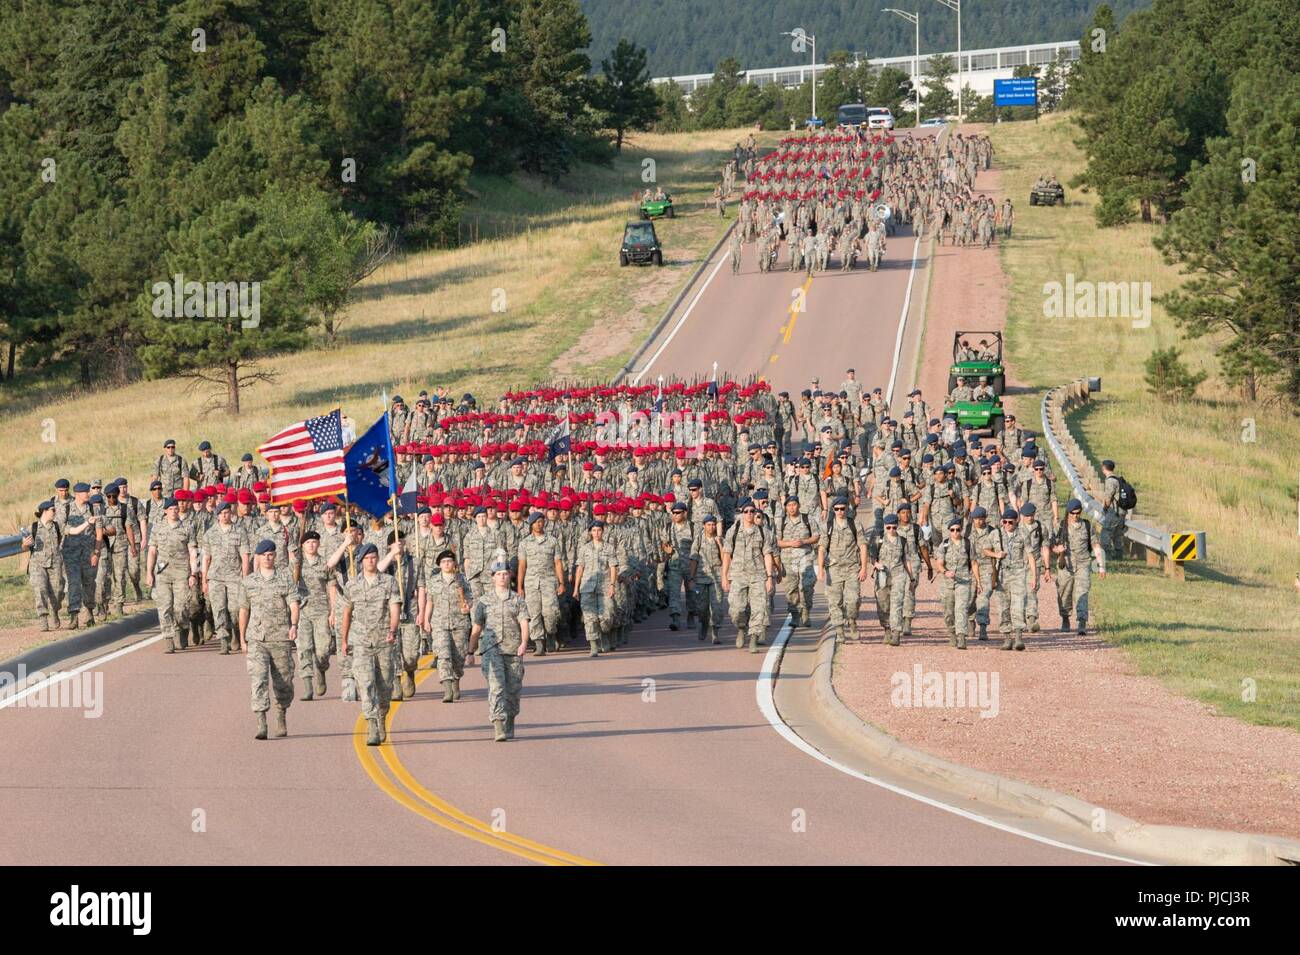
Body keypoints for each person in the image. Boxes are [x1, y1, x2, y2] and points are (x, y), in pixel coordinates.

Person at [339, 543, 401, 746]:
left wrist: (392, 630)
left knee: (385, 688)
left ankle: (382, 716)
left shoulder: (389, 582)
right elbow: (347, 613)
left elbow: (394, 609)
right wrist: (344, 640)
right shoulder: (352, 585)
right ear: (360, 561)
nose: (371, 561)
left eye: (374, 557)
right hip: (361, 642)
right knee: (365, 685)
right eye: (367, 558)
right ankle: (372, 724)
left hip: (384, 640)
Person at [238, 539, 300, 740]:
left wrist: (293, 625)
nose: (267, 558)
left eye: (271, 554)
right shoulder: (248, 582)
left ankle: (281, 713)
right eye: (264, 555)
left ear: (275, 556)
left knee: (284, 683)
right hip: (257, 638)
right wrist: (242, 638)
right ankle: (261, 721)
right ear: (257, 557)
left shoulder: (285, 579)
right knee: (259, 679)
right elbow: (244, 610)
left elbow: (293, 604)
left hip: (280, 637)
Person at [468, 561, 530, 742]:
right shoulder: (484, 601)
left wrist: (524, 642)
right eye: (498, 574)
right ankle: (498, 724)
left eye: (505, 573)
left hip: (513, 649)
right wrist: (470, 651)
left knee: (513, 689)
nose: (502, 577)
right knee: (496, 688)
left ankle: (510, 719)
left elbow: (524, 622)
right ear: (493, 577)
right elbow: (477, 627)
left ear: (510, 575)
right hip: (491, 649)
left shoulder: (517, 599)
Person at [721, 499, 775, 653]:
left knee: (759, 608)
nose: (750, 514)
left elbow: (767, 555)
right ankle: (741, 627)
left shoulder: (763, 532)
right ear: (742, 513)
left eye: (752, 511)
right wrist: (724, 576)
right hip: (738, 575)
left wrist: (769, 577)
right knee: (736, 609)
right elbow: (726, 553)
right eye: (746, 511)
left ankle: (753, 639)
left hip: (758, 575)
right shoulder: (734, 530)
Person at [146, 496, 199, 652]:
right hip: (163, 573)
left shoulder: (187, 528)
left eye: (176, 509)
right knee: (164, 607)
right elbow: (152, 550)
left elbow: (192, 552)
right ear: (165, 511)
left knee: (181, 606)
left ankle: (182, 628)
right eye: (171, 509)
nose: (174, 511)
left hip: (182, 572)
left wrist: (193, 574)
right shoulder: (158, 527)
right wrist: (149, 573)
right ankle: (168, 637)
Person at [422, 549, 473, 702]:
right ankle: (447, 688)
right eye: (443, 562)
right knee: (443, 655)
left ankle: (456, 680)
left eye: (449, 561)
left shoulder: (462, 580)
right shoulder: (434, 581)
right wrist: (426, 619)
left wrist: (467, 606)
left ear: (454, 564)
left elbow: (470, 598)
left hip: (460, 623)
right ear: (439, 564)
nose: (446, 564)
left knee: (458, 657)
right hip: (439, 623)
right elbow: (430, 601)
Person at [1051, 499, 1106, 636]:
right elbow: (1050, 544)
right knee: (1064, 593)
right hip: (1065, 565)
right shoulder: (1061, 526)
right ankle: (1065, 618)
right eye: (1072, 513)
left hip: (1083, 563)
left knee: (1082, 592)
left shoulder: (1087, 526)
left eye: (1078, 513)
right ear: (1068, 512)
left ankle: (1082, 622)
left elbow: (1095, 545)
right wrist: (1057, 549)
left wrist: (1101, 566)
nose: (1075, 516)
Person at [816, 496, 868, 642]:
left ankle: (852, 621)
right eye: (837, 509)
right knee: (834, 601)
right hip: (834, 570)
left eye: (842, 508)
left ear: (847, 508)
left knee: (853, 600)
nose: (840, 511)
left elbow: (863, 546)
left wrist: (864, 568)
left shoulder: (855, 524)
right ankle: (839, 631)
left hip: (852, 568)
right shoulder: (828, 526)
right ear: (833, 510)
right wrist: (820, 569)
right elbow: (821, 548)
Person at [202, 500, 250, 655]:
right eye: (221, 513)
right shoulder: (210, 533)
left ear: (231, 513)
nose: (224, 516)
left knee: (235, 609)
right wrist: (204, 580)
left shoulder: (240, 531)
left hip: (235, 577)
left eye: (227, 513)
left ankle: (236, 630)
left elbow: (245, 556)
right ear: (217, 516)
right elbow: (206, 558)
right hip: (215, 577)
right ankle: (223, 639)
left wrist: (245, 578)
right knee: (219, 609)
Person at [573, 519, 618, 656]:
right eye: (594, 530)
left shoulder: (609, 548)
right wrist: (576, 588)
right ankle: (593, 646)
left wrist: (612, 585)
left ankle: (604, 635)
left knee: (606, 616)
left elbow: (613, 567)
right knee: (589, 617)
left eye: (599, 530)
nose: (596, 533)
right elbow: (580, 568)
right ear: (590, 532)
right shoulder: (584, 548)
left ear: (603, 532)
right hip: (587, 587)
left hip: (604, 586)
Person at [21, 500, 64, 631]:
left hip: (55, 563)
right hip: (37, 564)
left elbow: (60, 540)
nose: (54, 512)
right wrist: (25, 544)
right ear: (44, 512)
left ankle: (55, 611)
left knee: (58, 591)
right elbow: (23, 547)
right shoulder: (32, 527)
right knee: (40, 590)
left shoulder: (57, 526)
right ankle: (43, 619)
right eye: (53, 510)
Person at [1100, 459, 1128, 559]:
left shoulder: (1110, 480)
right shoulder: (1119, 479)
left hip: (1114, 512)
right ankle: (1119, 556)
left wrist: (1105, 509)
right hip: (1122, 512)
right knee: (1117, 535)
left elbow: (1108, 498)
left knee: (1105, 533)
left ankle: (1107, 556)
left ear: (1104, 468)